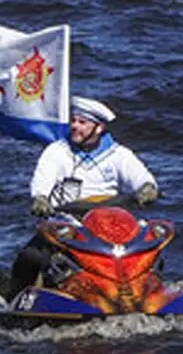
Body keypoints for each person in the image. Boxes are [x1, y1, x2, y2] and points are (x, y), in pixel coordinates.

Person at [12, 97, 157, 293]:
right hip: (67, 224)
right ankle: (17, 298)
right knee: (31, 257)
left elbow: (142, 178)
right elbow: (42, 179)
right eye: (73, 121)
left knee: (148, 253)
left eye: (82, 122)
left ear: (98, 128)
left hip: (108, 226)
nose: (74, 126)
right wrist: (40, 198)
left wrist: (147, 188)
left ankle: (146, 292)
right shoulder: (57, 151)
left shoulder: (120, 155)